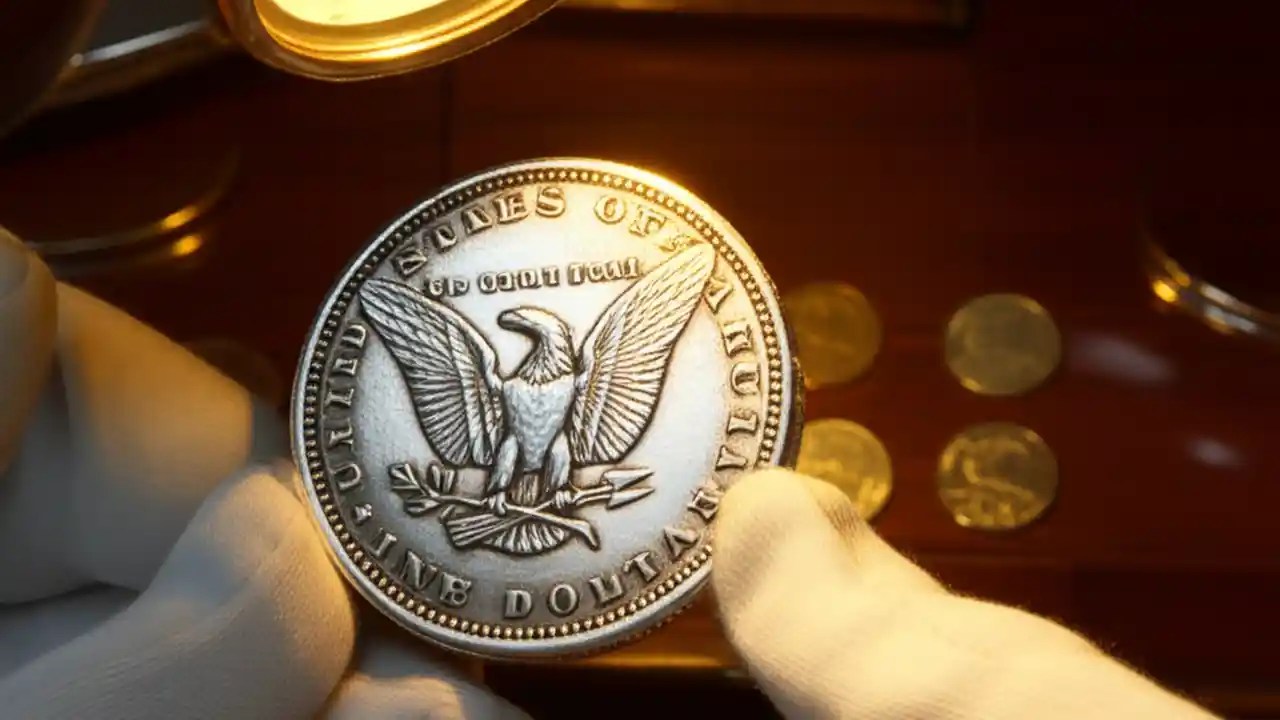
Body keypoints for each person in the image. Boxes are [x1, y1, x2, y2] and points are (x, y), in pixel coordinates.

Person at [0, 228, 1219, 719]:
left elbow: (638, 336)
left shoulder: (595, 372)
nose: (533, 340)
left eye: (543, 335)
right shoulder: (474, 368)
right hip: (483, 495)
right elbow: (430, 339)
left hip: (546, 487)